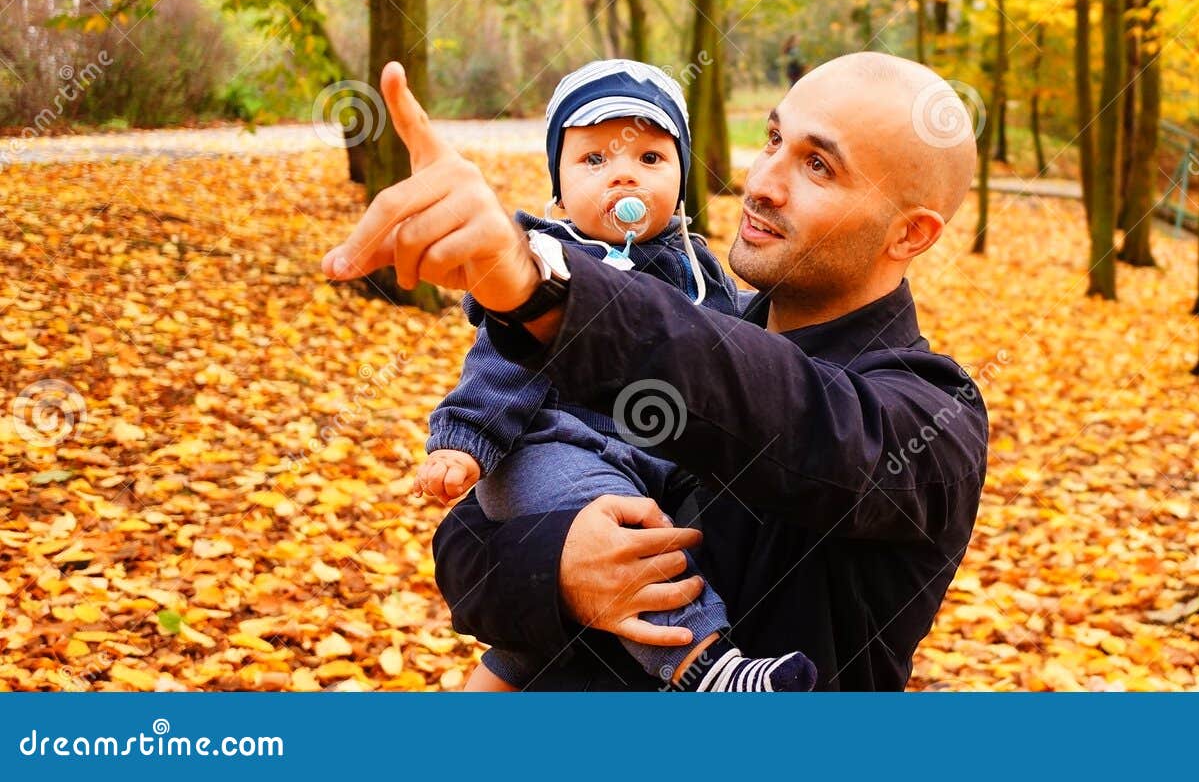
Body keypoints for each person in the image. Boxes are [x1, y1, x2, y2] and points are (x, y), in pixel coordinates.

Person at [322, 51, 988, 690]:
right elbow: (463, 547)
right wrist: (558, 563)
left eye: (817, 165)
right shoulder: (708, 321)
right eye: (773, 139)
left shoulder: (933, 421)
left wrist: (542, 281)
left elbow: (774, 407)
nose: (759, 184)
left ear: (910, 235)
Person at [415, 59, 816, 691]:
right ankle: (704, 668)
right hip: (551, 454)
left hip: (650, 456)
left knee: (552, 633)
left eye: (651, 158)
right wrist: (464, 440)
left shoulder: (696, 266)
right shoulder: (544, 263)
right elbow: (504, 359)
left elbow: (723, 336)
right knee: (628, 536)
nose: (624, 170)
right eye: (594, 159)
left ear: (681, 181)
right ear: (557, 191)